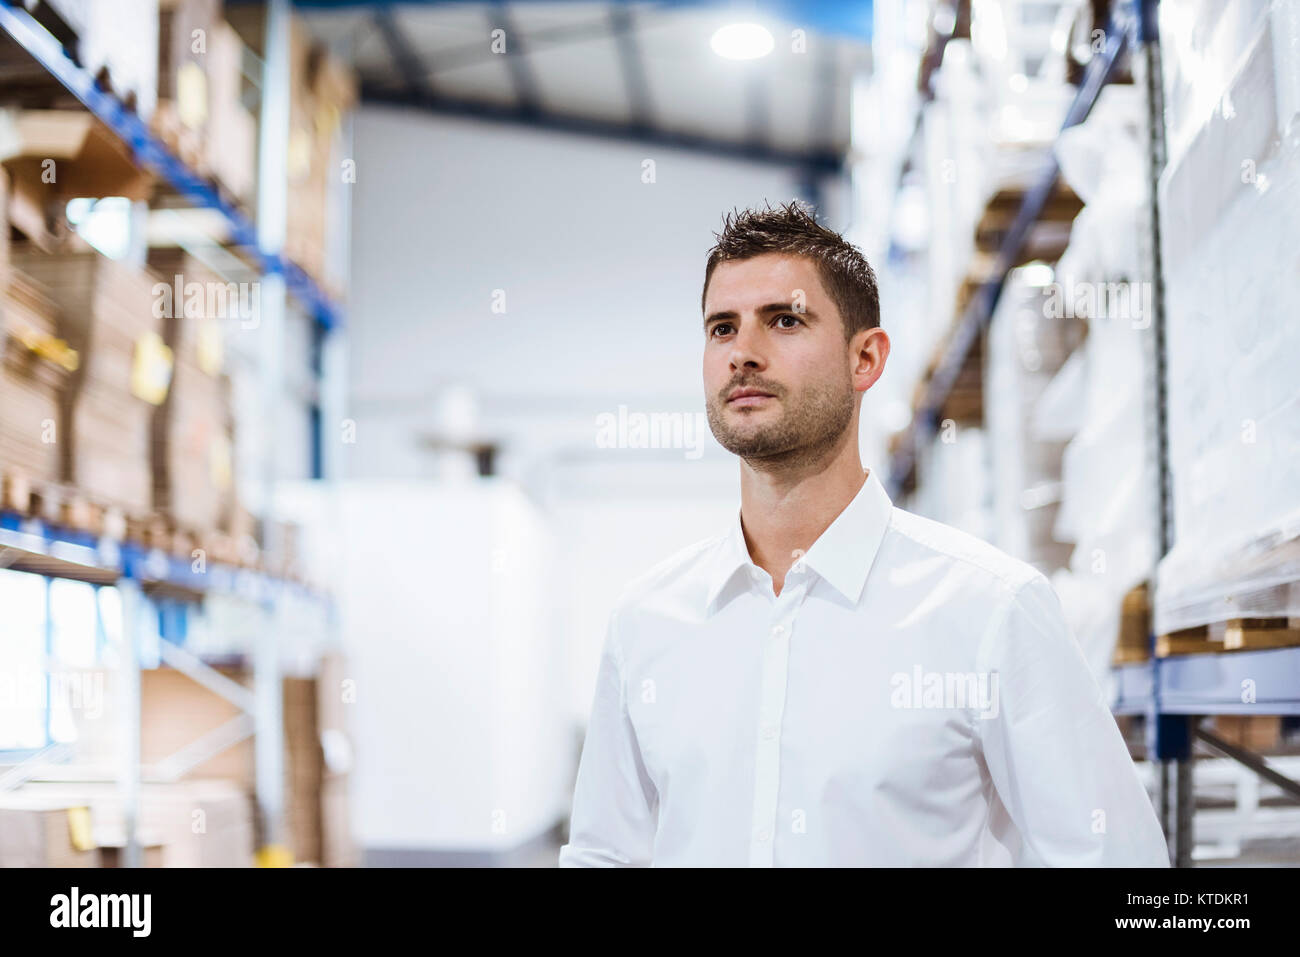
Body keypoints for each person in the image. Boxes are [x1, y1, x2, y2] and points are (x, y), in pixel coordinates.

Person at [559, 200, 1169, 867]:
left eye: (785, 320)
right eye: (722, 327)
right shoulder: (647, 624)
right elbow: (604, 854)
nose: (743, 354)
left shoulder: (989, 610)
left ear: (866, 358)